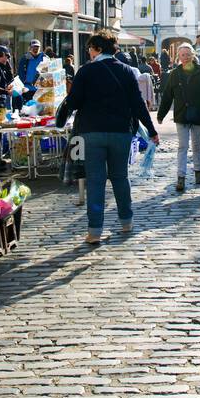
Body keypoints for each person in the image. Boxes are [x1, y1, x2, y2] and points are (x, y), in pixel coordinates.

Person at [56, 30, 158, 243]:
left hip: (92, 132)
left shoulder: (86, 71)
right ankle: (126, 222)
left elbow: (73, 101)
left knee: (95, 181)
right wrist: (152, 130)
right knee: (120, 177)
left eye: (91, 48)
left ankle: (94, 231)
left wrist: (63, 116)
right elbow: (138, 104)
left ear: (98, 49)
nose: (89, 52)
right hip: (120, 132)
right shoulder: (127, 71)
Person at [157, 42, 200, 191]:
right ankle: (181, 177)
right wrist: (161, 114)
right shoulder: (175, 73)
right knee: (182, 146)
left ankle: (198, 173)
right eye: (182, 55)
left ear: (193, 56)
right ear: (179, 57)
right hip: (181, 114)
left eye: (188, 55)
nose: (185, 57)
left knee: (197, 145)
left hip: (199, 114)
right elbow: (167, 95)